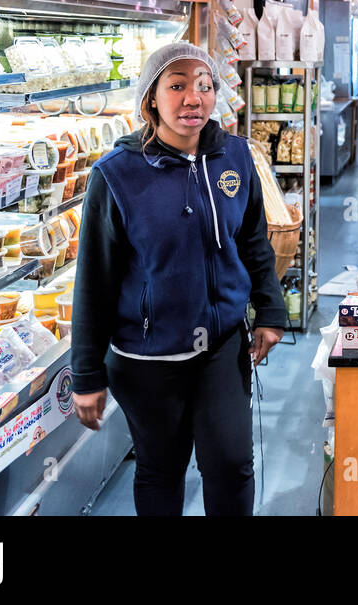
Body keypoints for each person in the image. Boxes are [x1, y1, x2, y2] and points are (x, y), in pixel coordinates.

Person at [70, 42, 287, 516]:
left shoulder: (235, 157)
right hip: (147, 358)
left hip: (222, 347)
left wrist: (270, 310)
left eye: (205, 86)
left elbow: (253, 239)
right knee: (160, 471)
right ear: (151, 98)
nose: (194, 98)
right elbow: (94, 280)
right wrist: (87, 373)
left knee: (231, 464)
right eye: (178, 86)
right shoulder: (116, 176)